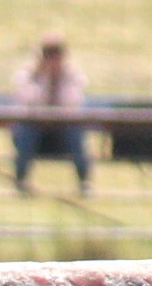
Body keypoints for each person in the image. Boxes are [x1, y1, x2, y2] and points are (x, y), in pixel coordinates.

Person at [9, 34, 91, 196]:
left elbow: (72, 101)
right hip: (35, 128)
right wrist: (44, 78)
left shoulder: (72, 75)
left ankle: (84, 182)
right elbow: (28, 99)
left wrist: (55, 83)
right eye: (48, 54)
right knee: (25, 133)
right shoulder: (28, 75)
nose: (52, 60)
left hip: (63, 129)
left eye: (56, 55)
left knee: (75, 135)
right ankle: (21, 180)